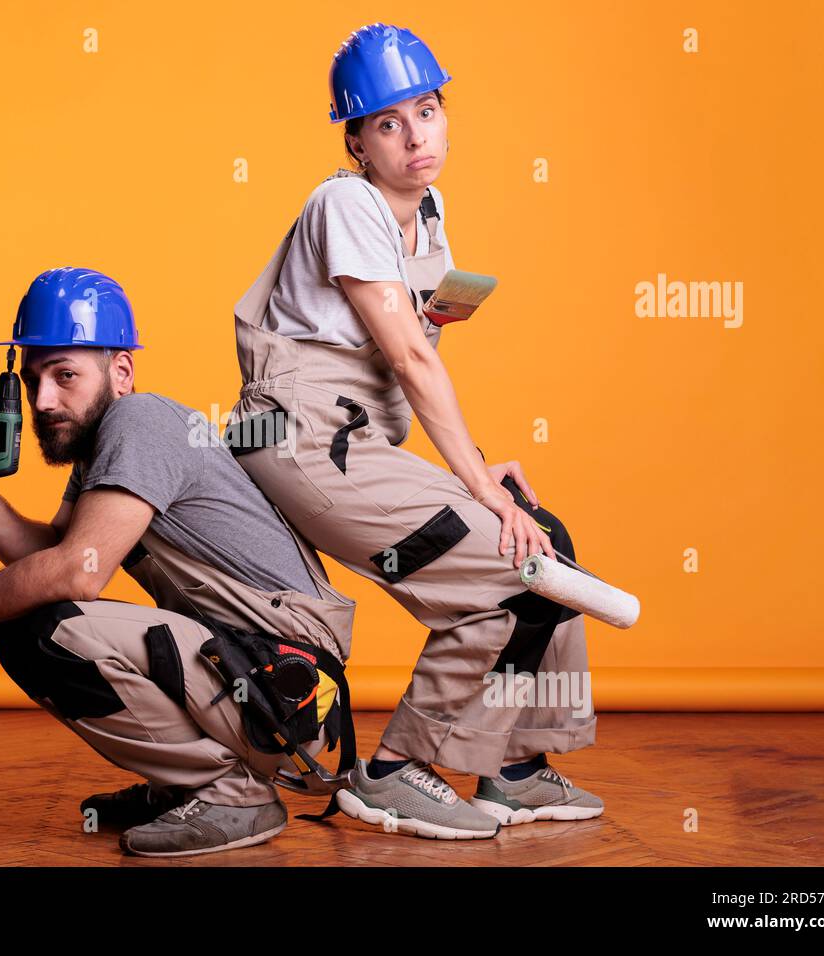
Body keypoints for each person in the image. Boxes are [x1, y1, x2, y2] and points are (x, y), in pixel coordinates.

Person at [226, 22, 603, 838]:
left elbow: (419, 351)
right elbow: (410, 359)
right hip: (298, 441)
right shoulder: (345, 204)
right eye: (387, 123)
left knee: (548, 540)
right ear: (356, 139)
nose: (412, 136)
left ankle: (512, 768)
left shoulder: (429, 215)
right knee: (509, 563)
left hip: (359, 441)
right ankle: (394, 771)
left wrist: (479, 468)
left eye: (426, 112)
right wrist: (474, 480)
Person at [0, 267, 358, 857]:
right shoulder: (101, 444)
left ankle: (229, 792)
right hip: (251, 668)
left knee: (40, 632)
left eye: (65, 375)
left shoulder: (141, 420)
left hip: (290, 686)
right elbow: (55, 556)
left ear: (120, 371)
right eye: (33, 380)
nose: (44, 400)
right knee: (39, 615)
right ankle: (190, 783)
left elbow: (76, 573)